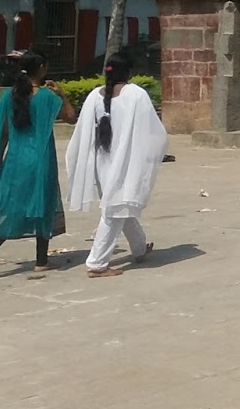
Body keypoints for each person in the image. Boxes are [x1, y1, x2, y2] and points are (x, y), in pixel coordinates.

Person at [66, 52, 168, 279]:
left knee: (122, 206)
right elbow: (153, 130)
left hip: (102, 163)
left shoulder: (94, 95)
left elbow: (83, 131)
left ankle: (140, 248)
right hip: (126, 162)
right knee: (114, 211)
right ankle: (97, 263)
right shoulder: (136, 95)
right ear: (128, 72)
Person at [0, 50, 74, 280]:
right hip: (41, 159)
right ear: (40, 68)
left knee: (12, 206)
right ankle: (41, 261)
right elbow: (71, 117)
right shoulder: (48, 97)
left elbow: (1, 134)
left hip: (16, 158)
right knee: (43, 204)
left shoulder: (9, 96)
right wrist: (62, 94)